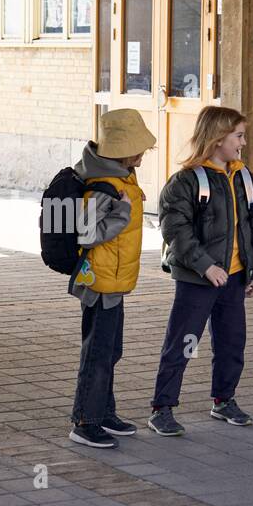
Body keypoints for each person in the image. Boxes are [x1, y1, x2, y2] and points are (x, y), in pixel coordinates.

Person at [148, 106, 253, 436]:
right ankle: (162, 407)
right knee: (184, 342)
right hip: (197, 280)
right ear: (218, 139)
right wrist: (207, 267)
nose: (244, 143)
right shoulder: (186, 182)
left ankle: (224, 401)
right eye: (239, 136)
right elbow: (175, 230)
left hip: (234, 279)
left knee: (232, 343)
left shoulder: (245, 177)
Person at [68, 108, 157, 449]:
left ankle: (104, 412)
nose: (142, 155)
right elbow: (87, 233)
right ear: (124, 151)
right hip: (99, 283)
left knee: (110, 350)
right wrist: (122, 211)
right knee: (98, 353)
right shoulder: (104, 185)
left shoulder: (120, 175)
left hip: (113, 281)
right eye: (139, 150)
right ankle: (85, 421)